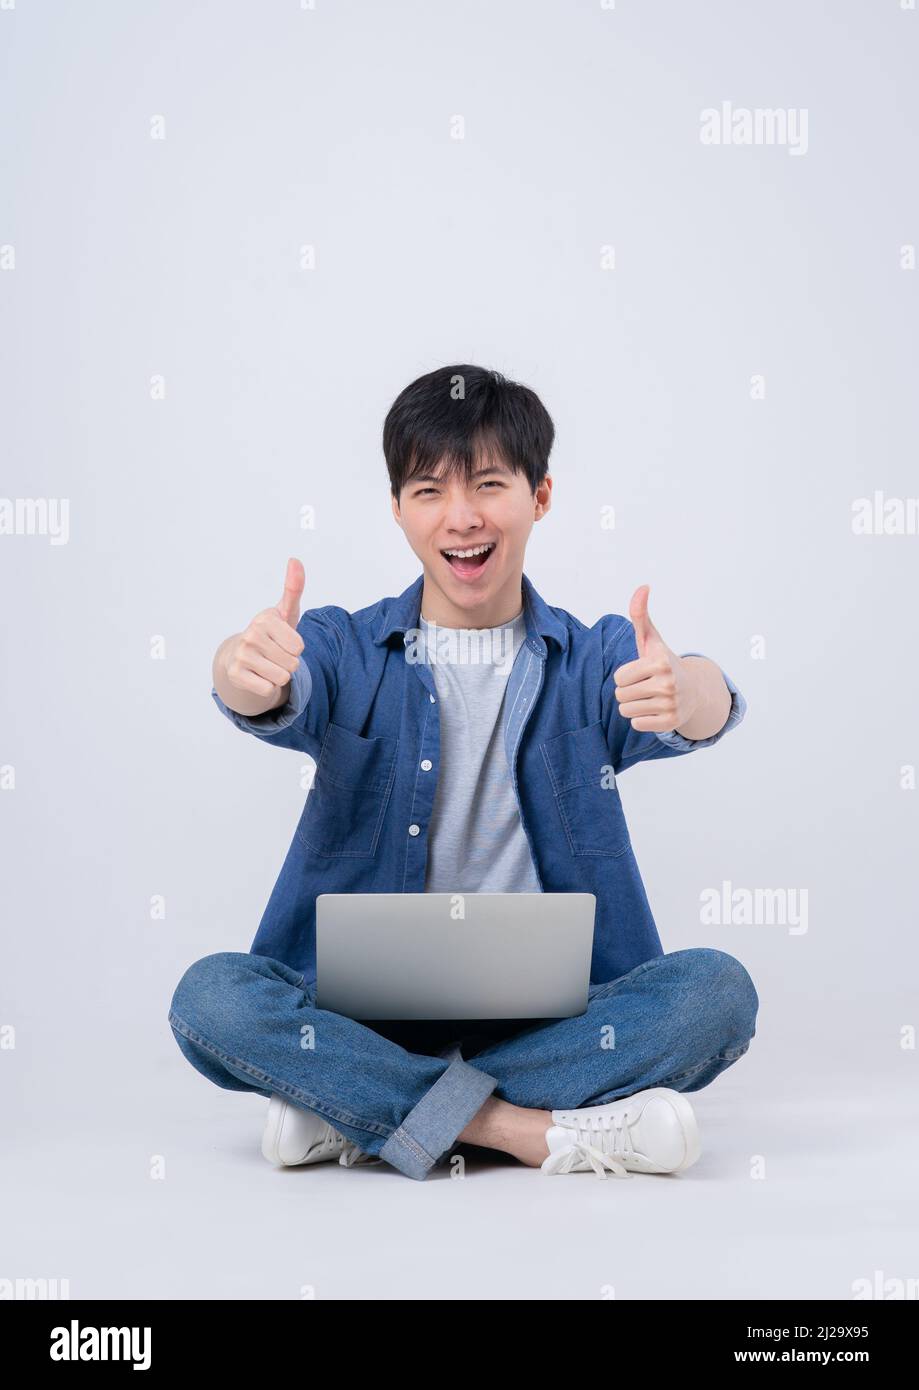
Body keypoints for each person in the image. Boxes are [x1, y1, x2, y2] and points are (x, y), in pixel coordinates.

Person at [168, 363, 758, 1181]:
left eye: (487, 484)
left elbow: (703, 697)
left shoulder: (592, 659)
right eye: (428, 492)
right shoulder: (344, 645)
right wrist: (242, 668)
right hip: (360, 1021)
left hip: (553, 1021)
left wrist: (689, 688)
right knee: (211, 999)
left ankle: (356, 1111)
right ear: (397, 509)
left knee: (715, 996)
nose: (462, 518)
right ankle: (523, 1129)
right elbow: (263, 687)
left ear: (539, 496)